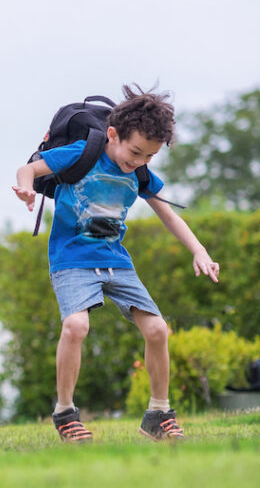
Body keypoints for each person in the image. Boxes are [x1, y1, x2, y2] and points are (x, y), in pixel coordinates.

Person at [13, 84, 220, 443]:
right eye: (135, 151)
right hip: (72, 260)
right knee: (75, 327)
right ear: (113, 134)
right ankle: (65, 412)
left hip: (116, 261)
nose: (139, 162)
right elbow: (27, 169)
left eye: (149, 157)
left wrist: (199, 250)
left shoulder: (138, 172)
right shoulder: (82, 153)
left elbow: (169, 216)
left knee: (157, 330)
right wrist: (26, 189)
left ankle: (158, 413)